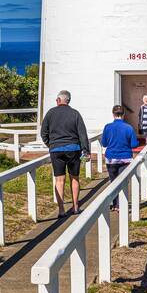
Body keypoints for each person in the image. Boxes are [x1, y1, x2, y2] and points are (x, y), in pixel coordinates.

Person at [40, 90, 90, 218]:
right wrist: (86, 151)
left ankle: (61, 210)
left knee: (59, 180)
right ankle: (75, 207)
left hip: (56, 150)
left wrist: (50, 144)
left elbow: (43, 132)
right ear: (68, 101)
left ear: (58, 100)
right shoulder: (75, 114)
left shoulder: (50, 113)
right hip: (73, 149)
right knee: (74, 178)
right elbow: (82, 134)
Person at [101, 105, 140, 210]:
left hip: (111, 158)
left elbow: (104, 143)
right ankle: (121, 204)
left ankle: (115, 204)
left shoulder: (107, 127)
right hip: (125, 158)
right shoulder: (129, 127)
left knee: (113, 181)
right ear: (124, 114)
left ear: (113, 114)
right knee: (122, 182)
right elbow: (133, 144)